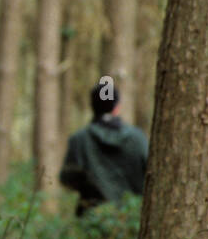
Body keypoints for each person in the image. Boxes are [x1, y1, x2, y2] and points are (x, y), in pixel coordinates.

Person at [59, 81, 148, 216]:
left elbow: (67, 179)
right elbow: (151, 175)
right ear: (117, 107)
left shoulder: (79, 140)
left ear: (92, 106)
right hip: (132, 218)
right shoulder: (138, 138)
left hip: (93, 219)